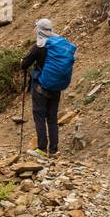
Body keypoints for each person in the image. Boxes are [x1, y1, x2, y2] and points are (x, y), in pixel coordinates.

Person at [20, 18, 75, 159]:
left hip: (40, 87)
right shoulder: (58, 44)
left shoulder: (39, 47)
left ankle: (42, 149)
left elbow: (24, 64)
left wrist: (24, 61)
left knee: (39, 117)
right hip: (56, 87)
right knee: (52, 118)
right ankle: (54, 150)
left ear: (38, 30)